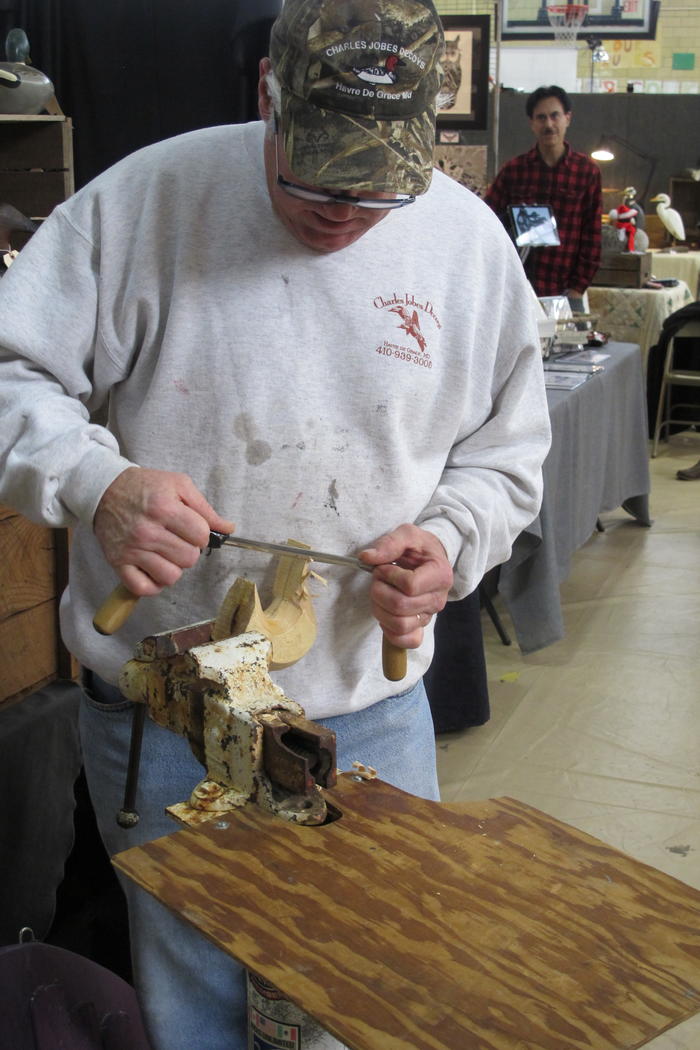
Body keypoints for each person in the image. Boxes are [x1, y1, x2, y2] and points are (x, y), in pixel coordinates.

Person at [0, 1, 551, 1047]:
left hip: (370, 714)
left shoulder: (466, 247)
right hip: (168, 719)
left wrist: (455, 538)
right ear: (268, 98)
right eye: (314, 178)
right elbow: (9, 372)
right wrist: (94, 482)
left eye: (377, 189)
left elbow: (506, 452)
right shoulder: (145, 205)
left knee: (364, 995)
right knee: (194, 1008)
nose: (343, 214)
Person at [484, 84, 602, 312]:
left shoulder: (587, 172)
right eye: (541, 117)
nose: (549, 124)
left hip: (567, 293)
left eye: (555, 116)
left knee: (570, 349)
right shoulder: (514, 172)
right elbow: (489, 222)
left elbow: (592, 236)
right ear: (532, 123)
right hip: (518, 292)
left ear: (568, 118)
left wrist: (578, 288)